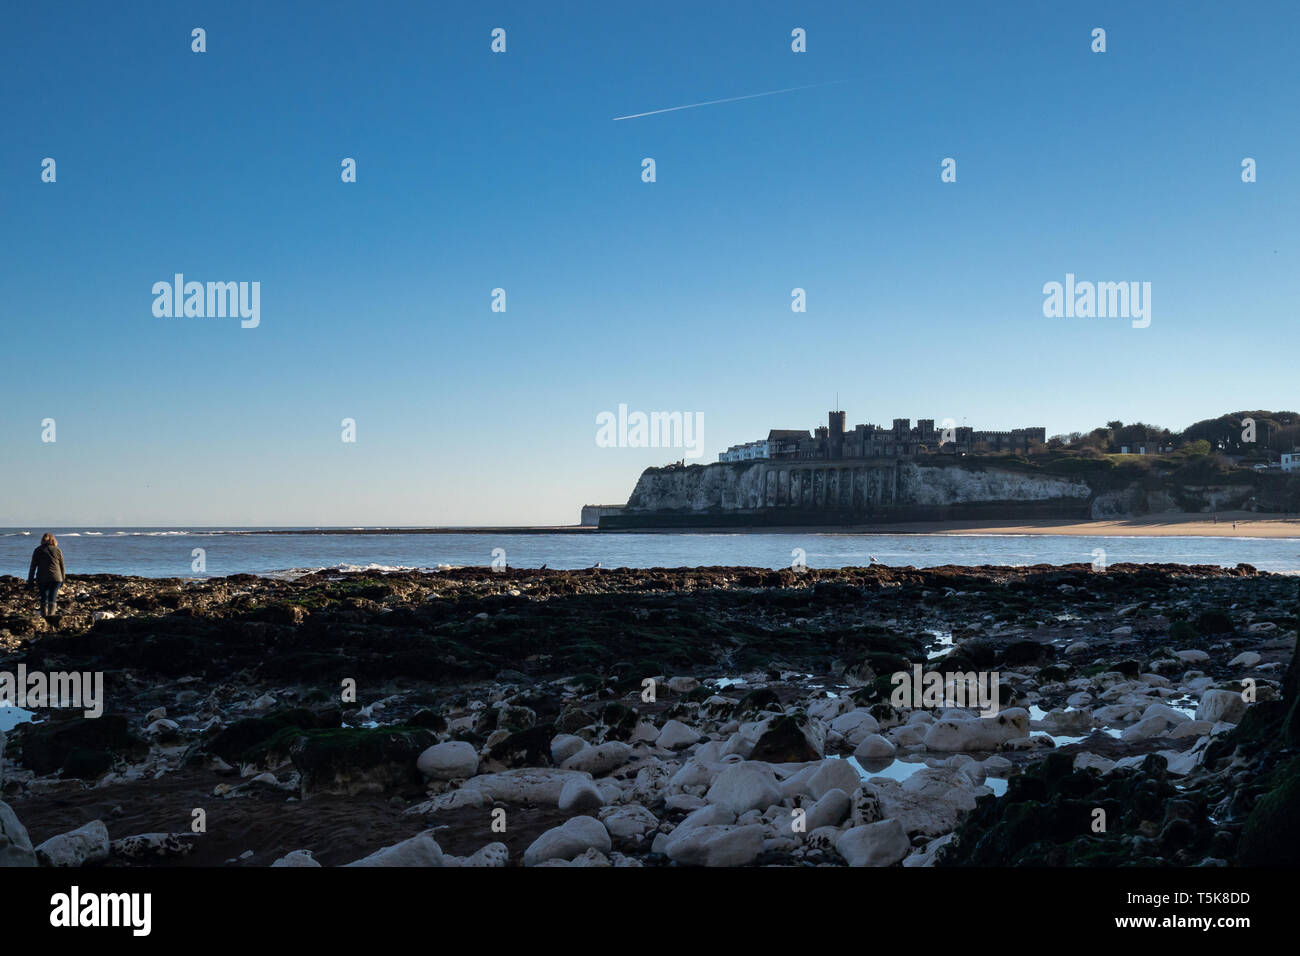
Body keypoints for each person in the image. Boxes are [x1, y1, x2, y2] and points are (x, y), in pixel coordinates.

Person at [27, 532, 66, 618]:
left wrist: (30, 580)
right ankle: (51, 615)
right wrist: (63, 579)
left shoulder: (38, 550)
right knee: (53, 596)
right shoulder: (57, 550)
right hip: (56, 578)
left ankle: (44, 616)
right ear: (53, 540)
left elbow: (33, 567)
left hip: (42, 578)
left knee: (44, 596)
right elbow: (62, 567)